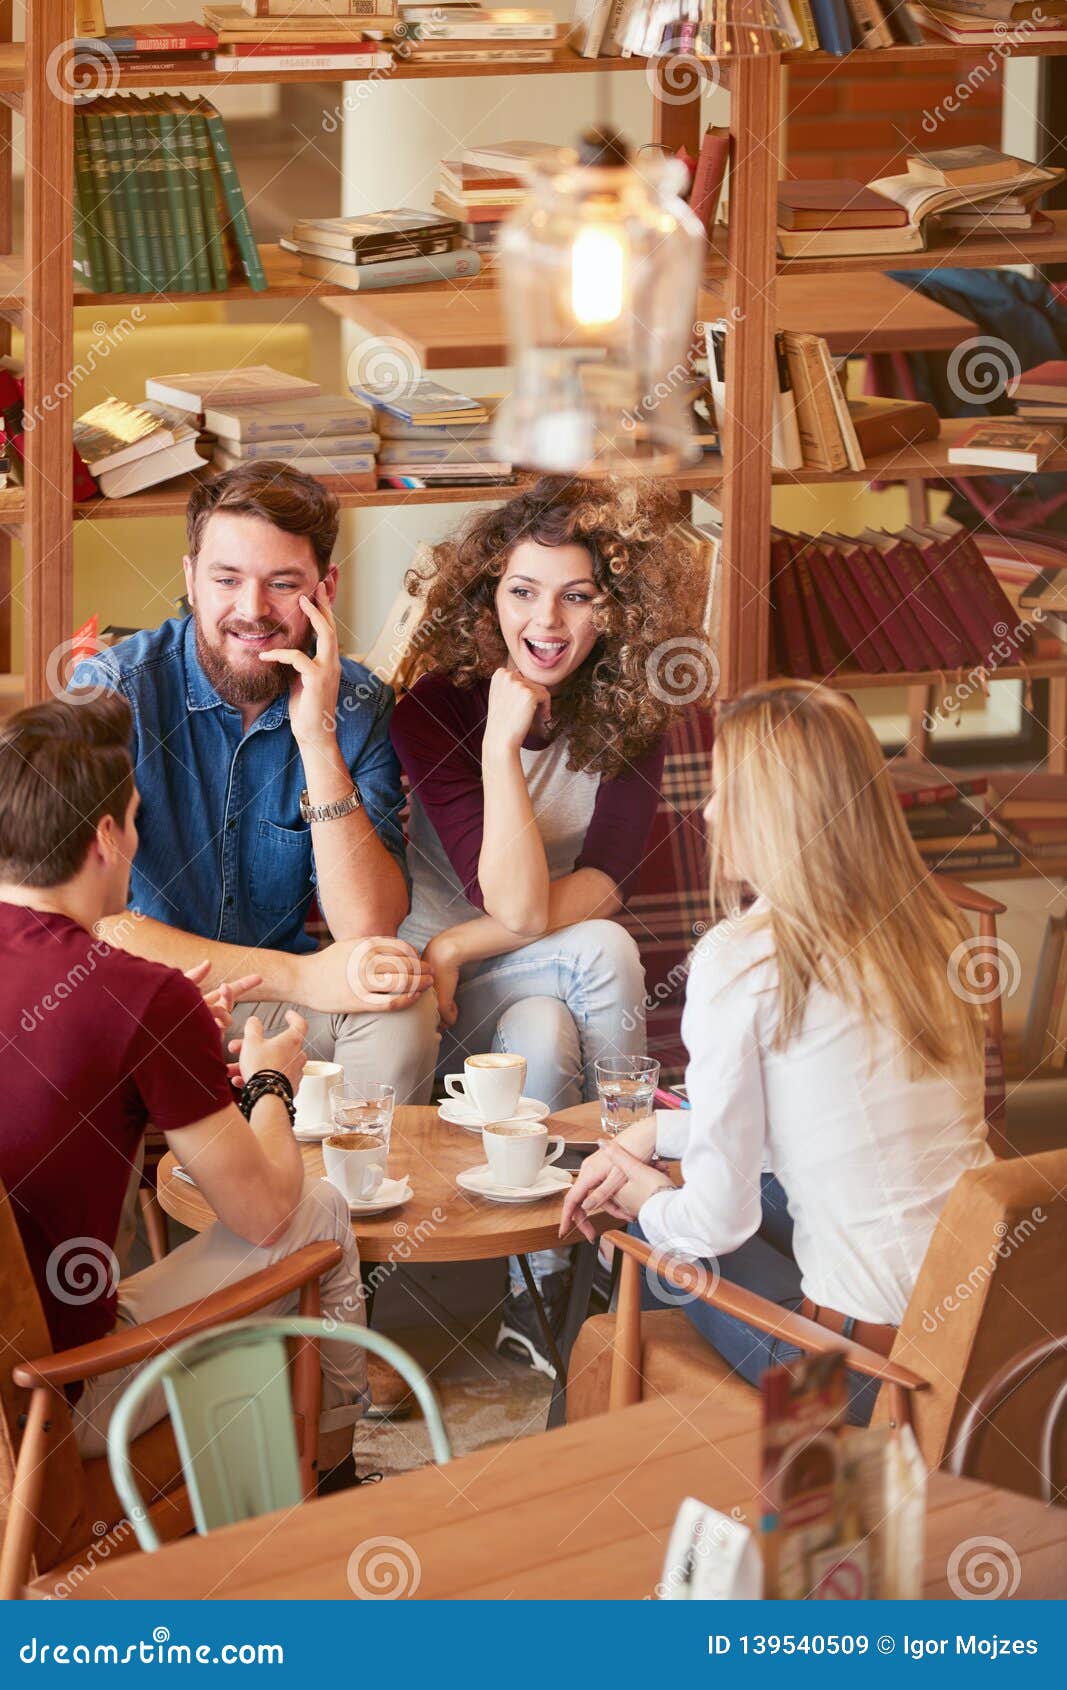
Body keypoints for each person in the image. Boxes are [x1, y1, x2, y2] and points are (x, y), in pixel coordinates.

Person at [561, 678, 993, 1422]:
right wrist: (656, 1131)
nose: (706, 809)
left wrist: (640, 1202)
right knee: (737, 1185)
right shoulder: (930, 930)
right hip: (987, 1329)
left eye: (725, 789)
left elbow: (714, 1224)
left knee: (640, 1233)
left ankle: (577, 1493)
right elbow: (822, 1126)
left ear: (775, 809)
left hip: (856, 1373)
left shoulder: (747, 956)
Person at [0, 694, 372, 1474]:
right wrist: (271, 1080)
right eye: (134, 820)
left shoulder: (140, 1003)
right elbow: (266, 1215)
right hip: (48, 1403)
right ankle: (335, 1482)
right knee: (322, 1212)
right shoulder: (138, 994)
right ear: (105, 837)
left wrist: (168, 1043)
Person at [390, 476, 709, 1373]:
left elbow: (601, 882)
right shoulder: (438, 708)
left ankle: (542, 1290)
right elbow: (520, 903)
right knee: (598, 955)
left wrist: (464, 940)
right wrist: (498, 744)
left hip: (505, 964)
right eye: (524, 591)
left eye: (578, 596)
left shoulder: (627, 710)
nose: (549, 622)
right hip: (438, 991)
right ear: (489, 597)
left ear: (612, 611)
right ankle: (623, 1231)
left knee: (546, 1022)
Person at [69, 460, 437, 1103]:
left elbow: (368, 926)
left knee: (402, 1012)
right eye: (226, 579)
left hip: (274, 1012)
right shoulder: (113, 692)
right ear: (190, 577)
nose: (252, 610)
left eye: (282, 583)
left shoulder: (358, 704)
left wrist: (318, 740)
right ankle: (252, 1196)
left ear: (326, 589)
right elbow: (91, 925)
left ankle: (341, 1203)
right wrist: (301, 977)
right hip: (146, 1000)